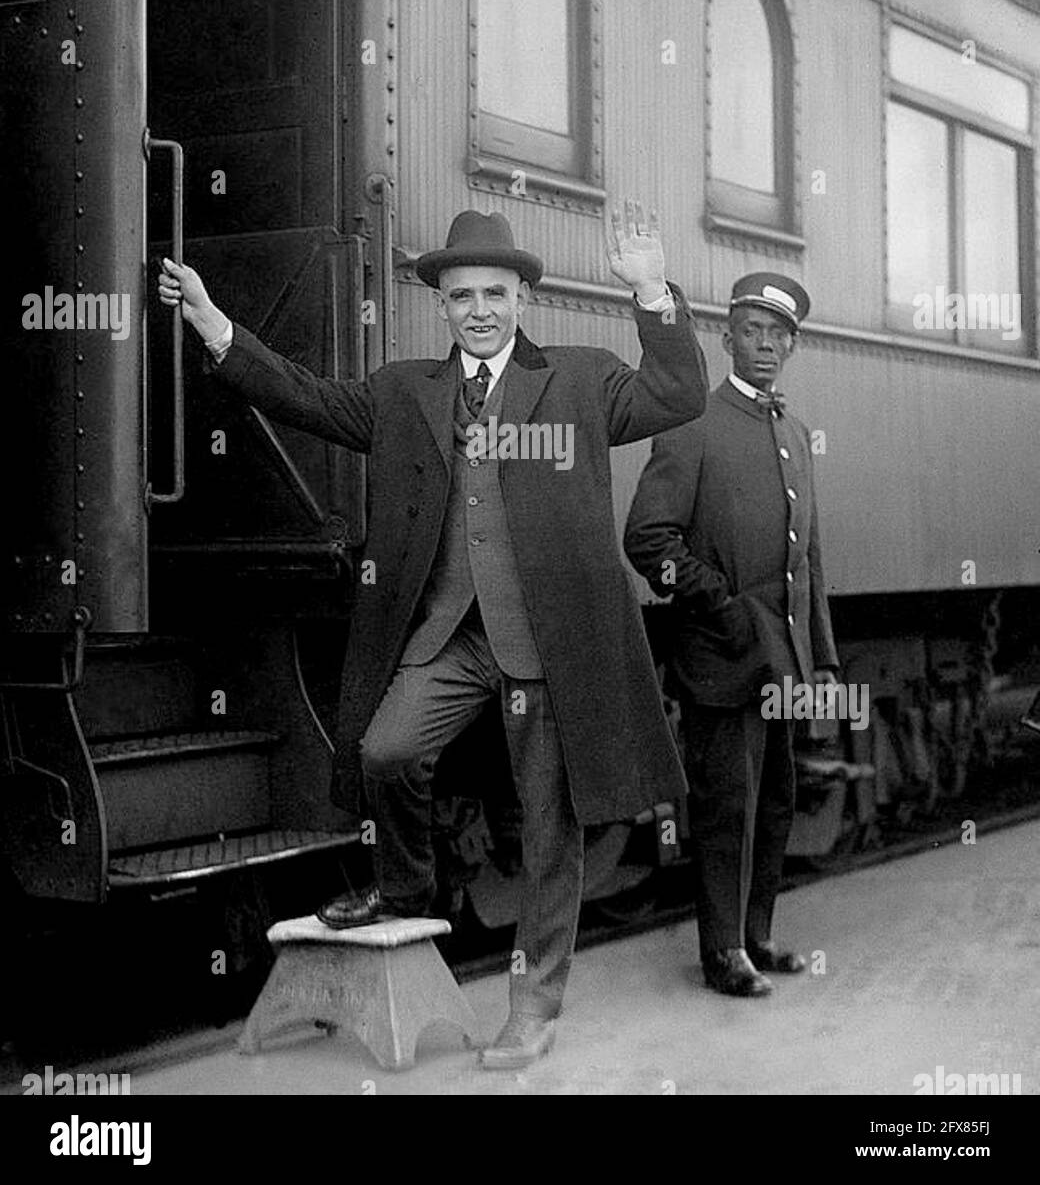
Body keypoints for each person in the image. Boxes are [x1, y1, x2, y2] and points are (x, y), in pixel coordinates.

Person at [159, 204, 708, 1066]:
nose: (479, 309)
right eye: (462, 296)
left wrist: (650, 290)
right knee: (383, 752)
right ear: (442, 307)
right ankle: (402, 890)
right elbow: (306, 398)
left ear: (523, 295)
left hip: (546, 641)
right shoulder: (402, 391)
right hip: (451, 633)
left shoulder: (581, 378)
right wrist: (218, 328)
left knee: (548, 827)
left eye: (495, 291)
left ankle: (534, 1007)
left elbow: (678, 393)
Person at [624, 272, 840, 998]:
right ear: (727, 338)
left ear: (792, 346)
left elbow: (807, 558)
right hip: (721, 657)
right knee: (726, 809)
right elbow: (648, 537)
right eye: (754, 330)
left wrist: (825, 660)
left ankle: (756, 937)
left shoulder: (794, 433)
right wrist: (719, 606)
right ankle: (722, 955)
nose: (767, 345)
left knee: (774, 799)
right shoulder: (692, 422)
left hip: (783, 664)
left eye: (780, 334)